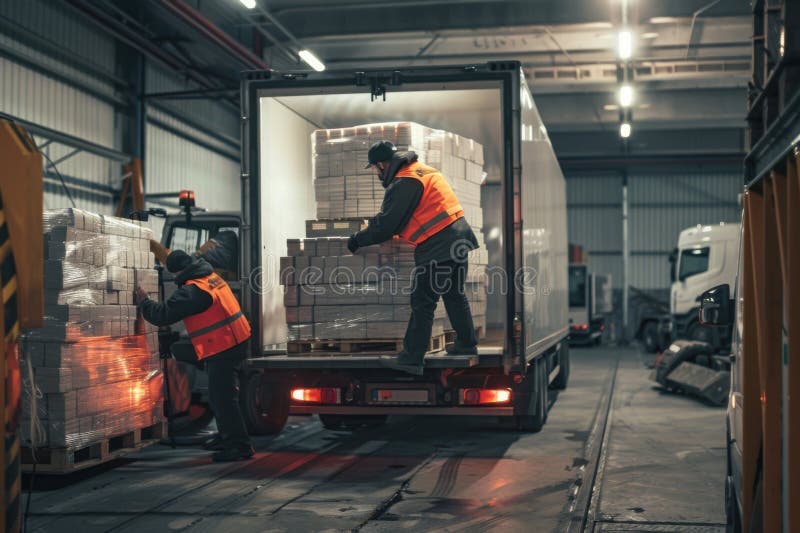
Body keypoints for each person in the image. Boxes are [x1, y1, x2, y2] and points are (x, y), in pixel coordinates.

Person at [348, 140, 479, 375]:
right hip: (459, 238)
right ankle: (466, 344)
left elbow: (386, 225)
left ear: (381, 164)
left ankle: (411, 358)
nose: (378, 174)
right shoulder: (423, 171)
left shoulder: (403, 182)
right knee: (454, 294)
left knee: (422, 302)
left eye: (376, 169)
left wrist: (358, 239)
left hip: (439, 244)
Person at [136, 250, 254, 462]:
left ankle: (239, 446)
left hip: (224, 346)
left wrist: (144, 302)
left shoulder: (194, 291)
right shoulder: (209, 277)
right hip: (234, 340)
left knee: (223, 399)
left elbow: (163, 314)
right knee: (221, 397)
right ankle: (227, 436)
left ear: (179, 271)